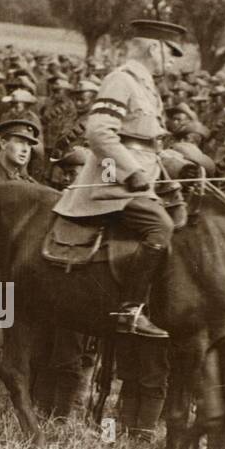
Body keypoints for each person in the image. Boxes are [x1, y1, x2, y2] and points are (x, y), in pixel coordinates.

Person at [51, 19, 187, 338]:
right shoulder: (121, 80)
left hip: (144, 179)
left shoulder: (147, 87)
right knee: (161, 228)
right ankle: (130, 310)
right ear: (154, 48)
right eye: (170, 52)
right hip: (113, 181)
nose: (172, 60)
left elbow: (148, 144)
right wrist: (133, 172)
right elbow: (99, 134)